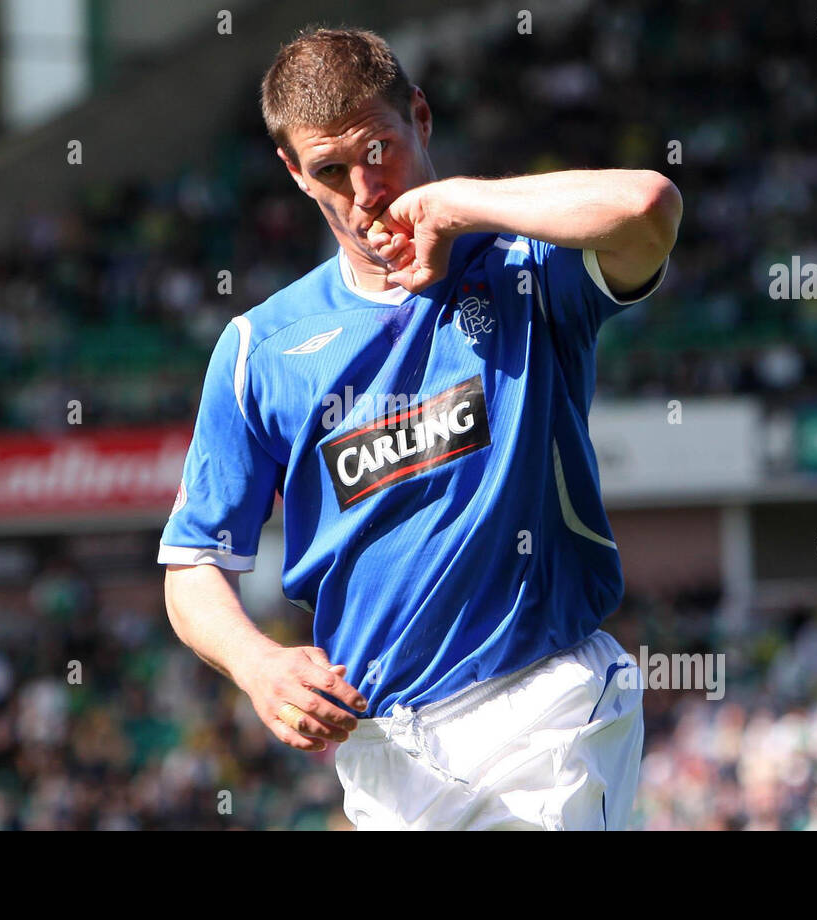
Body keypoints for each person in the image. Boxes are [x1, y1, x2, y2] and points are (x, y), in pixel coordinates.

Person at [160, 26, 681, 829]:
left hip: (543, 705)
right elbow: (191, 566)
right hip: (384, 752)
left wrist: (458, 203)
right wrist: (257, 665)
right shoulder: (259, 349)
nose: (364, 188)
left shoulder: (527, 265)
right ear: (295, 175)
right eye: (331, 169)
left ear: (421, 119)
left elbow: (648, 207)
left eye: (379, 149)